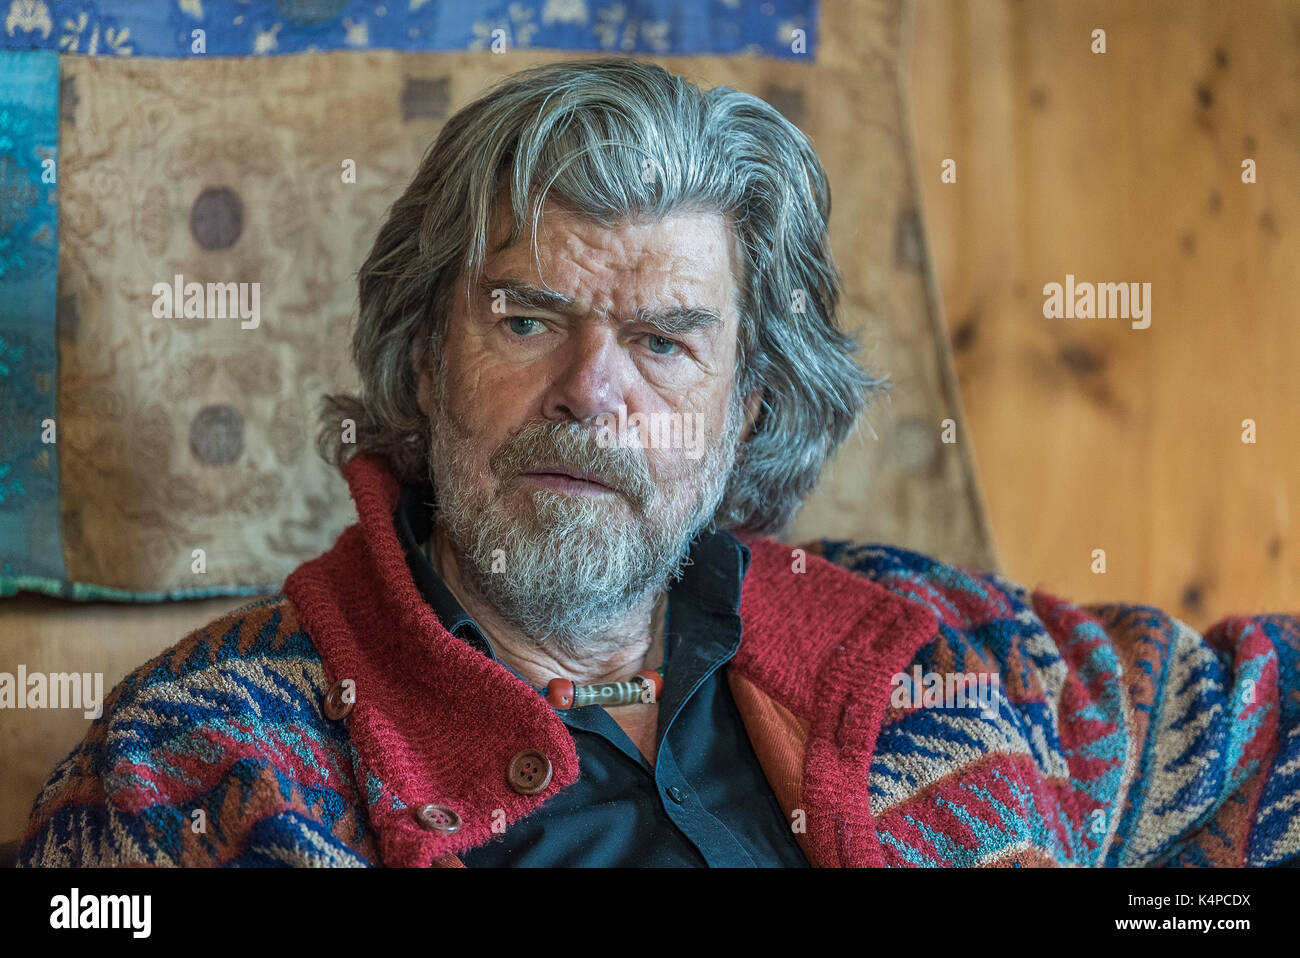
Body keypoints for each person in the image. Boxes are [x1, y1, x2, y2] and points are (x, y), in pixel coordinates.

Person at [19, 58, 1299, 868]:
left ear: (745, 408)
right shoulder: (206, 761)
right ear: (421, 361)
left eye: (664, 340)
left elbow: (1264, 720)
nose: (590, 388)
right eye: (525, 317)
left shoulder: (938, 646)